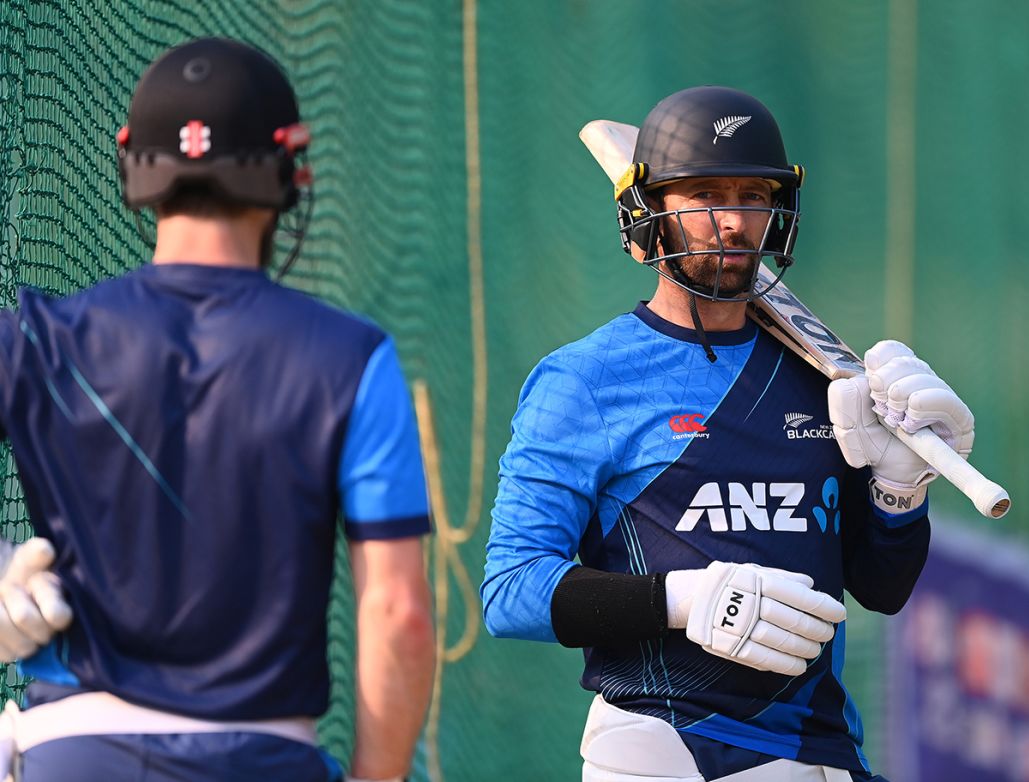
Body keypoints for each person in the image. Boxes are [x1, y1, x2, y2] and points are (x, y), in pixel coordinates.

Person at [481, 86, 976, 782]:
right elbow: (512, 589)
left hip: (812, 748)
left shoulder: (821, 381)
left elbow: (881, 588)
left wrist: (899, 490)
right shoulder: (584, 382)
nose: (733, 221)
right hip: (658, 752)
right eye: (704, 194)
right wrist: (681, 601)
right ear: (648, 213)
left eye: (752, 194)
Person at [0, 38, 433, 782]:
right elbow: (397, 613)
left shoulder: (36, 338)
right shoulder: (351, 356)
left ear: (134, 164)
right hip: (265, 753)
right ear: (290, 172)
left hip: (71, 751)